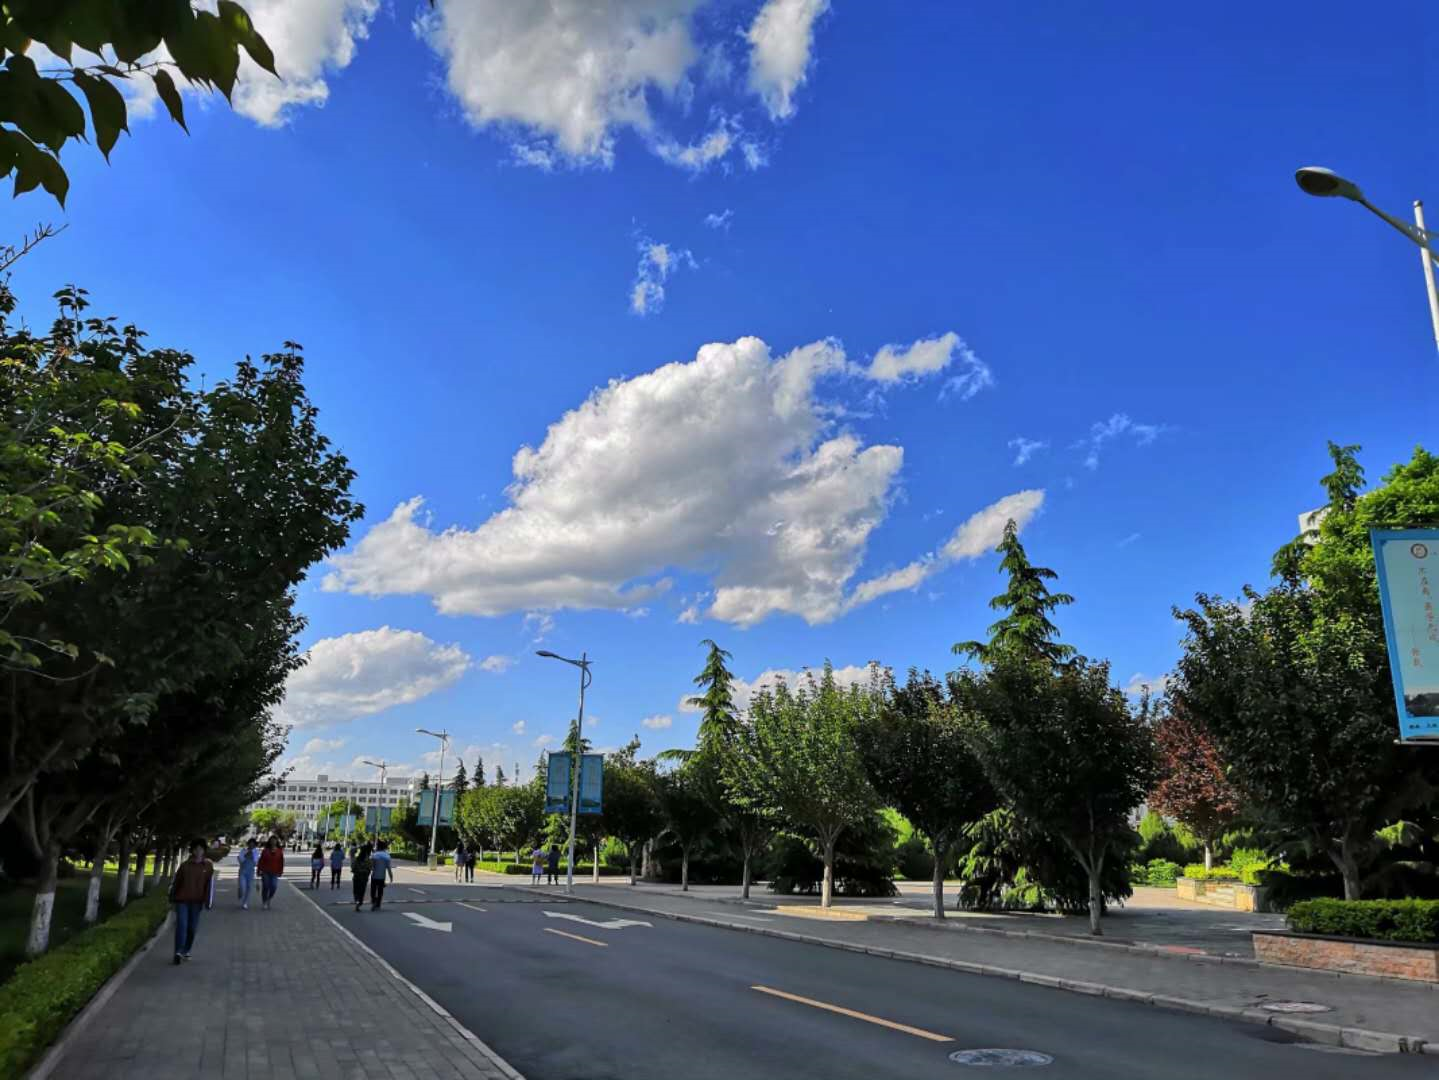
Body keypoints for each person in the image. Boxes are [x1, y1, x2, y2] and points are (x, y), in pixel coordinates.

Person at [169, 838, 215, 965]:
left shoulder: (208, 866)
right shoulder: (185, 866)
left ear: (204, 850)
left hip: (197, 902)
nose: (198, 851)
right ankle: (178, 952)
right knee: (182, 926)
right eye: (196, 849)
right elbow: (176, 882)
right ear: (192, 851)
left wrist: (208, 901)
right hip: (182, 900)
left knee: (192, 928)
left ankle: (186, 950)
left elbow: (209, 885)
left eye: (201, 849)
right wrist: (172, 898)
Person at [258, 835, 284, 909]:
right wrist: (259, 870)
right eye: (271, 841)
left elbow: (281, 862)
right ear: (269, 842)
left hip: (275, 872)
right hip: (265, 871)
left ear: (276, 842)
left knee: (274, 886)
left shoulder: (279, 851)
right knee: (265, 886)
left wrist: (280, 871)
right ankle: (264, 901)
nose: (273, 842)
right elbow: (261, 861)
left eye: (274, 841)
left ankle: (269, 898)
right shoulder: (265, 851)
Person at [370, 839, 394, 910]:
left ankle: (374, 901)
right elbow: (389, 869)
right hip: (382, 877)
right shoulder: (387, 856)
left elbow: (371, 867)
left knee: (373, 890)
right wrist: (391, 877)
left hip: (374, 876)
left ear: (378, 847)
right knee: (380, 891)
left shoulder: (374, 855)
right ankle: (378, 904)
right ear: (384, 847)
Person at [236, 837, 259, 910]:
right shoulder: (243, 850)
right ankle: (240, 891)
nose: (251, 846)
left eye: (253, 845)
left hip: (250, 872)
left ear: (255, 845)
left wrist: (252, 855)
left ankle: (245, 902)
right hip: (243, 871)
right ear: (248, 844)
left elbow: (256, 862)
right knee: (242, 886)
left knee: (249, 887)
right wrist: (246, 855)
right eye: (250, 844)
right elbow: (240, 859)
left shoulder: (256, 852)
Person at [351, 842, 373, 912]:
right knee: (362, 891)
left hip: (356, 877)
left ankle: (357, 901)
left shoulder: (357, 859)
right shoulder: (368, 860)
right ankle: (359, 902)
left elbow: (353, 868)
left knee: (356, 891)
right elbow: (370, 869)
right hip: (364, 878)